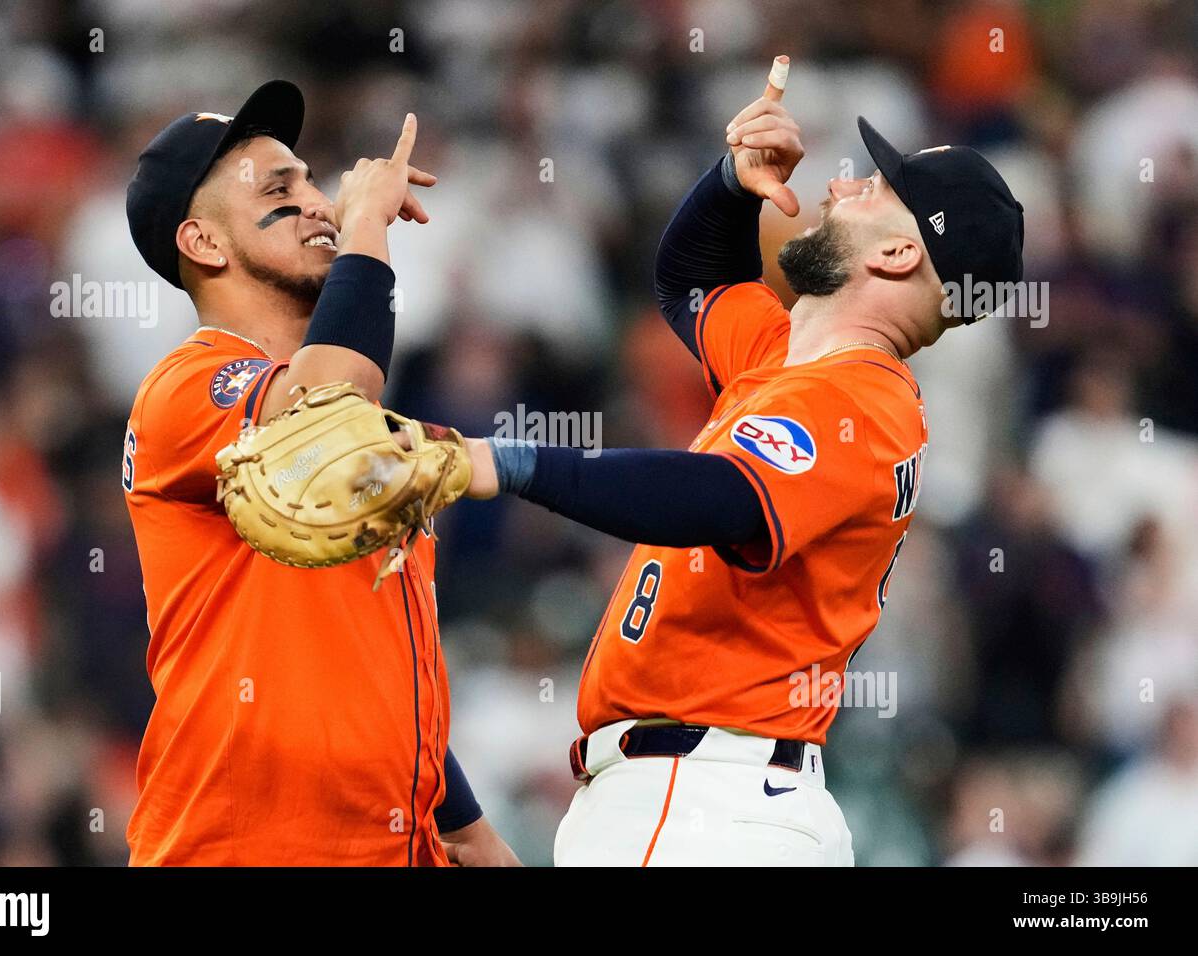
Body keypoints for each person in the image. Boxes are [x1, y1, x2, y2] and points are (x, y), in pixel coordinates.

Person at [453, 65, 1024, 865]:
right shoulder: (790, 361)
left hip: (706, 801)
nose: (841, 186)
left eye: (878, 189)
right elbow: (690, 278)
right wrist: (731, 183)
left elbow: (719, 500)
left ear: (899, 252)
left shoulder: (863, 401)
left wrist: (504, 463)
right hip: (706, 797)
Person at [121, 80, 516, 865]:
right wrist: (369, 226)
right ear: (203, 244)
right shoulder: (185, 387)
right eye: (280, 188)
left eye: (312, 182)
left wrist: (469, 832)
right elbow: (325, 406)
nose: (321, 203)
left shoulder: (358, 421)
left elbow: (374, 663)